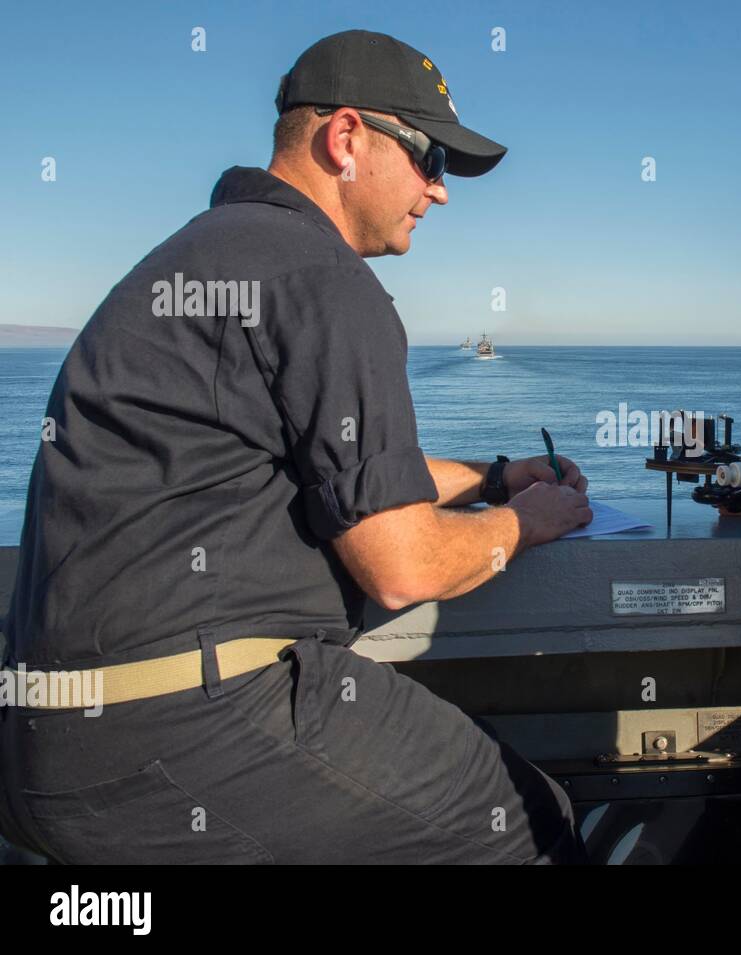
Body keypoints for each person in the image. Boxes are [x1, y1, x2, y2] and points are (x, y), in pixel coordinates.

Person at [0, 30, 591, 864]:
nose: (439, 191)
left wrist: (494, 476)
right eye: (430, 159)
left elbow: (320, 471)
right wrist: (529, 519)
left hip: (49, 745)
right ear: (345, 139)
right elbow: (405, 565)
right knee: (528, 821)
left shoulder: (198, 258)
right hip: (190, 729)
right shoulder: (324, 278)